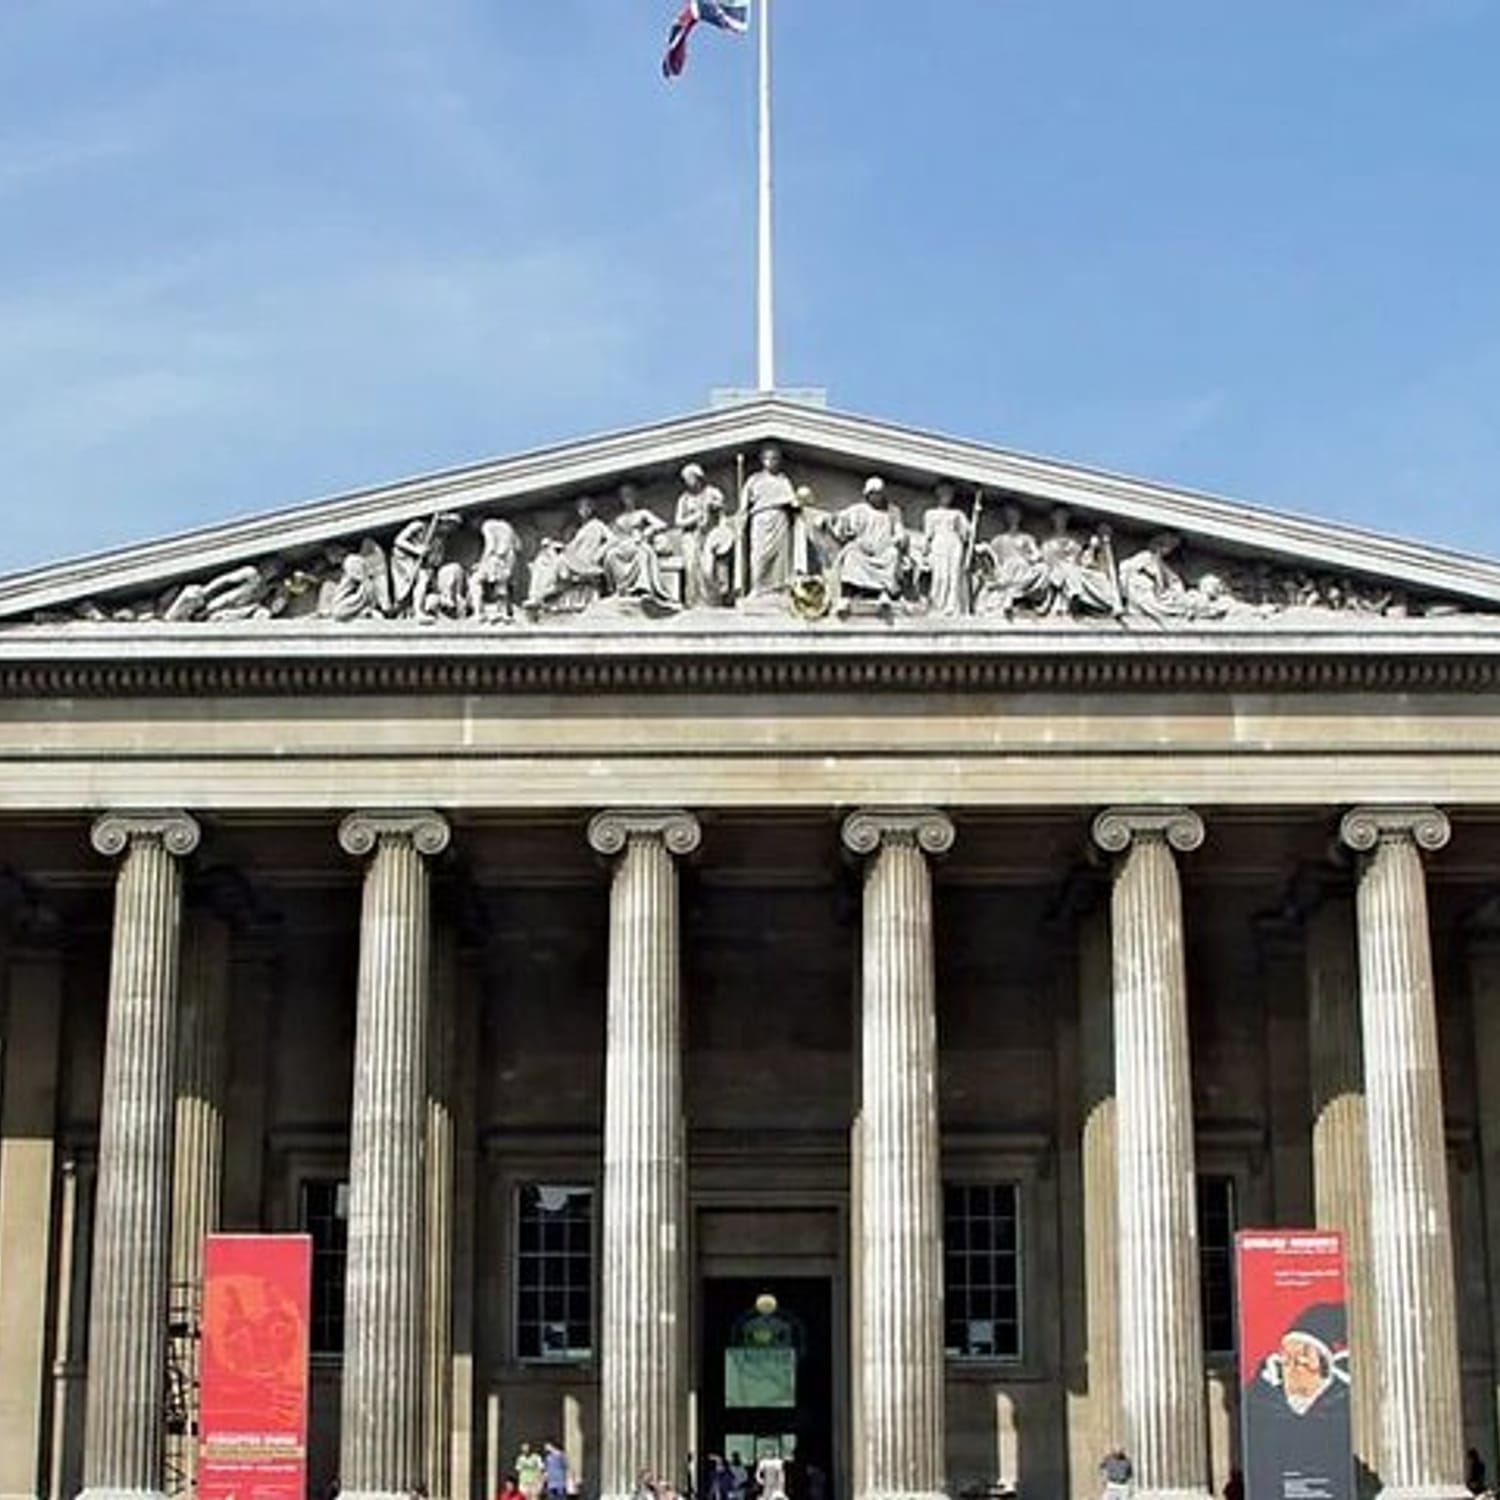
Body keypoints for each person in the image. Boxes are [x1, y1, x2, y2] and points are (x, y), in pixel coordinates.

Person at [741, 445, 801, 597]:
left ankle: (779, 588)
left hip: (780, 519)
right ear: (762, 460)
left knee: (780, 559)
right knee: (759, 556)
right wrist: (741, 518)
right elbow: (744, 505)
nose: (771, 462)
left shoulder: (783, 480)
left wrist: (799, 501)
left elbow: (793, 500)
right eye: (768, 458)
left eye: (775, 459)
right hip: (760, 519)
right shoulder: (754, 480)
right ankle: (757, 587)